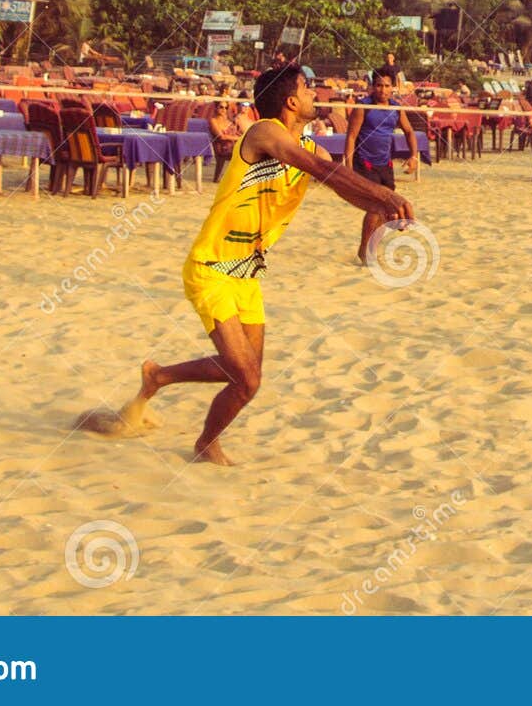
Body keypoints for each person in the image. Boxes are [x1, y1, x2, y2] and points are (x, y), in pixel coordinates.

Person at [126, 67, 414, 464]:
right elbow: (320, 169)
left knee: (244, 378)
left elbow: (338, 181)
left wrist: (382, 206)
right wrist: (380, 191)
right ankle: (204, 445)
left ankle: (160, 377)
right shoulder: (263, 133)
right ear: (291, 101)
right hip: (211, 267)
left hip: (247, 273)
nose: (315, 94)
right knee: (247, 377)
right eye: (307, 88)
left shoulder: (311, 147)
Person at [345, 71, 420, 263]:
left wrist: (413, 156)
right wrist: (349, 165)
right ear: (372, 86)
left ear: (392, 87)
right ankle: (365, 251)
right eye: (379, 85)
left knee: (387, 210)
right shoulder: (364, 107)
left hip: (385, 163)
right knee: (375, 207)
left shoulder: (396, 108)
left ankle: (370, 248)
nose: (383, 90)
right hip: (365, 162)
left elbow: (409, 131)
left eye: (387, 86)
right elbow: (351, 136)